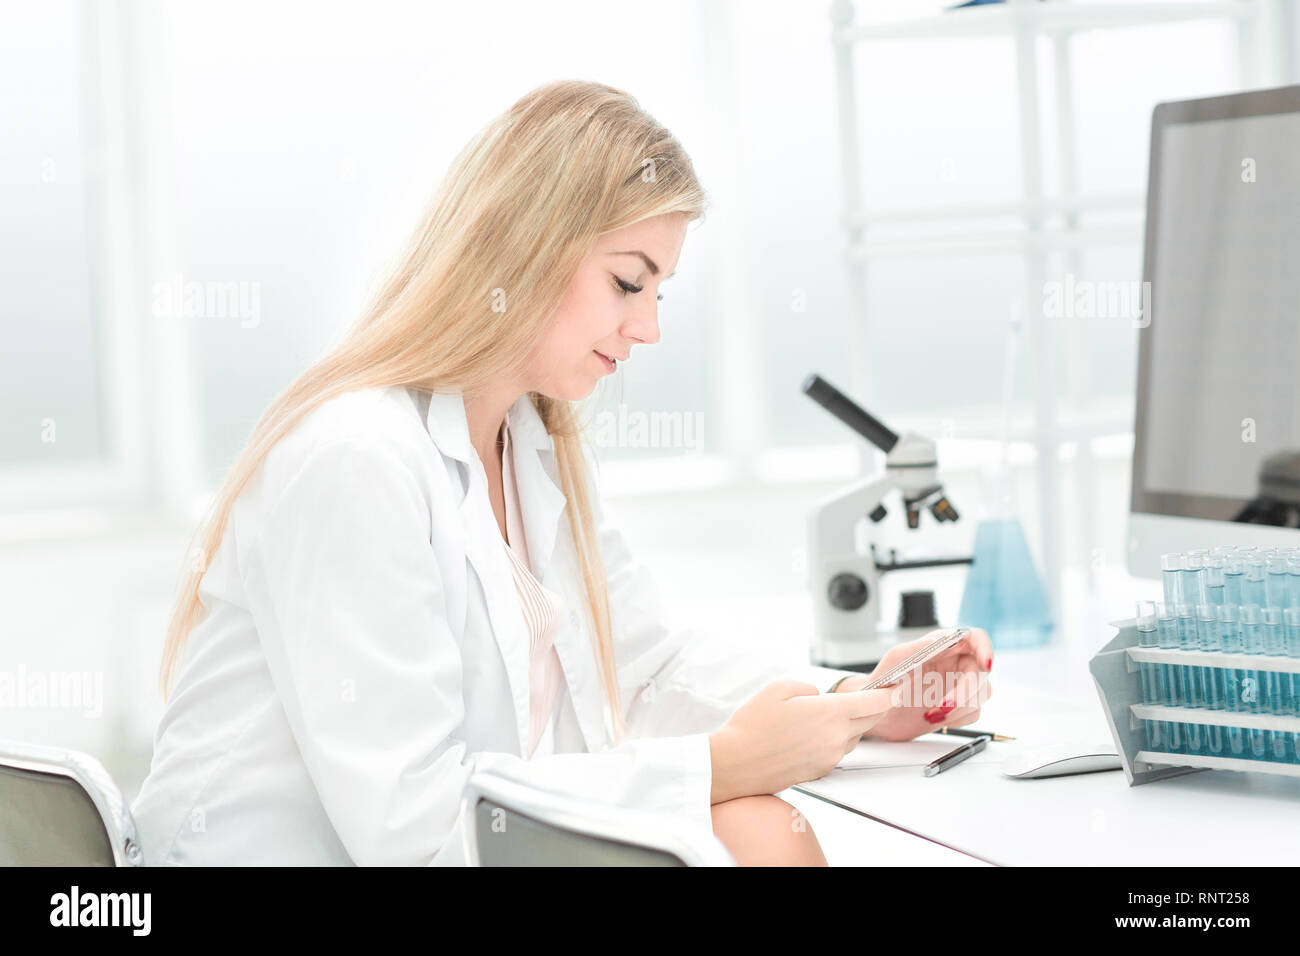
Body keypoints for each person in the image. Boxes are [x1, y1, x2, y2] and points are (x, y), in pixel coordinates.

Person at [132, 80, 992, 867]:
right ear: (524, 248)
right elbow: (413, 830)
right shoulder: (354, 459)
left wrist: (859, 704)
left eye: (660, 293)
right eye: (628, 282)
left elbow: (647, 671)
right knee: (755, 824)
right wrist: (717, 767)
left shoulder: (524, 441)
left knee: (763, 824)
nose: (649, 328)